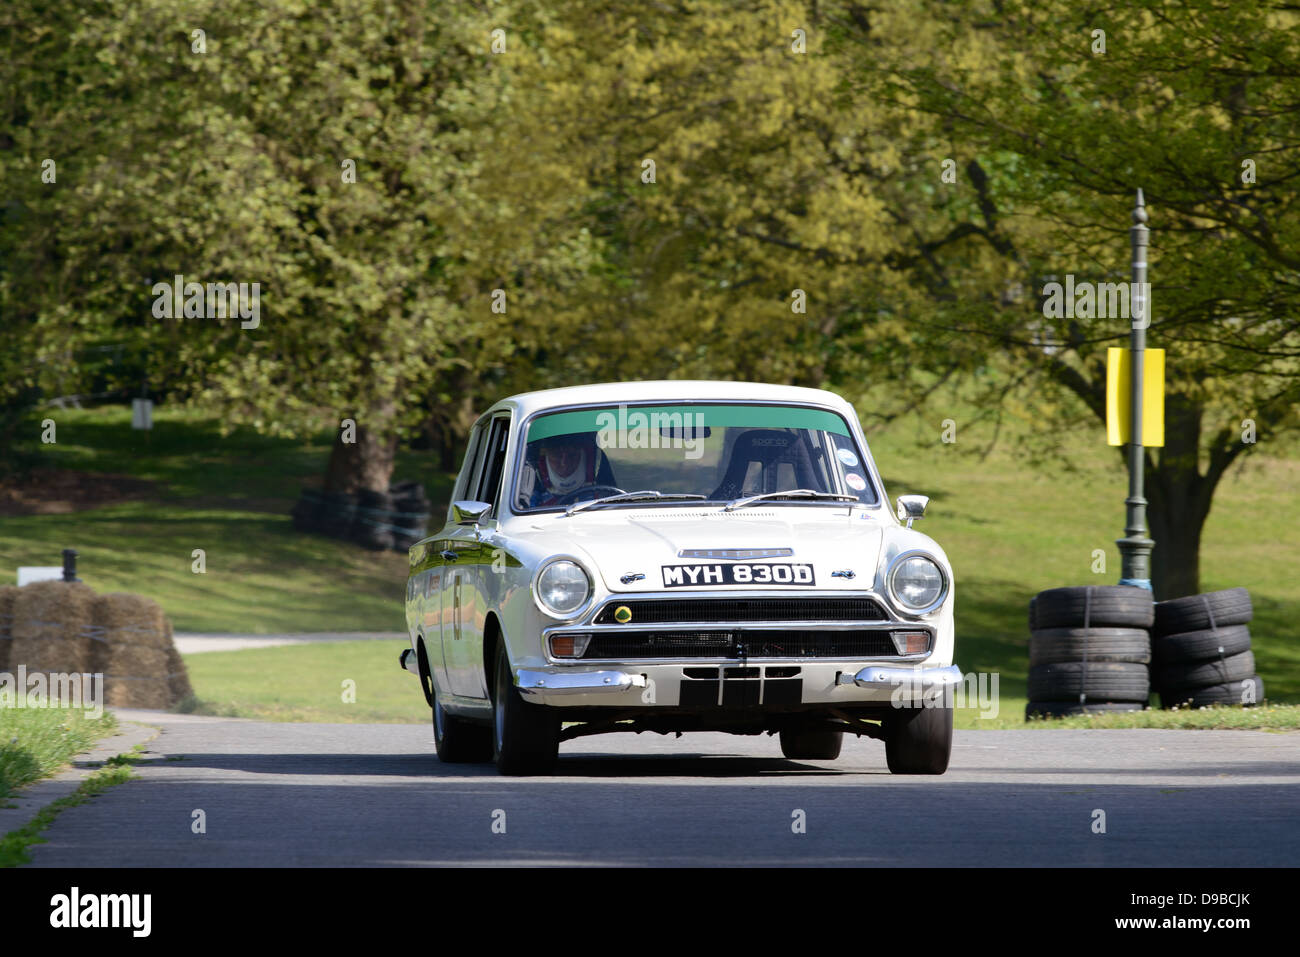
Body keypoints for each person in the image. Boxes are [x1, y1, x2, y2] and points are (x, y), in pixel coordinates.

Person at [521, 432, 604, 507]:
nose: (564, 463)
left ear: (587, 459)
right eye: (556, 456)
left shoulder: (605, 496)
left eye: (572, 455)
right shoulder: (529, 497)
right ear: (543, 461)